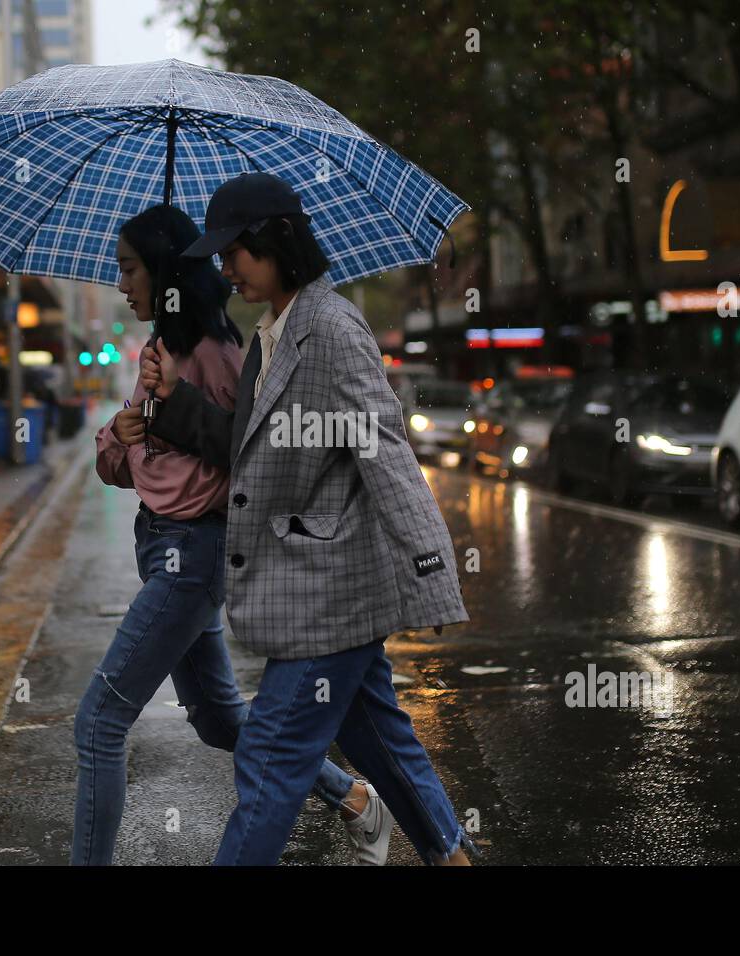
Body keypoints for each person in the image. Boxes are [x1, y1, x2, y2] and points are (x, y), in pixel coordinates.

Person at [138, 173, 474, 865]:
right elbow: (245, 443)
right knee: (379, 739)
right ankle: (455, 857)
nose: (225, 266)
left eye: (236, 251)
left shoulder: (329, 326)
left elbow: (383, 448)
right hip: (307, 589)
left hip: (329, 588)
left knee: (267, 756)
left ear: (278, 242)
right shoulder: (272, 332)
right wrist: (170, 400)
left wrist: (431, 570)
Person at [72, 205, 394, 866]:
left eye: (131, 269)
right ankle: (355, 798)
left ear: (164, 272)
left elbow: (247, 459)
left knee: (99, 724)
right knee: (221, 721)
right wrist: (124, 429)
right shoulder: (157, 354)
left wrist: (168, 416)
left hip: (191, 558)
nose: (123, 284)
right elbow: (122, 469)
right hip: (159, 546)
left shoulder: (217, 356)